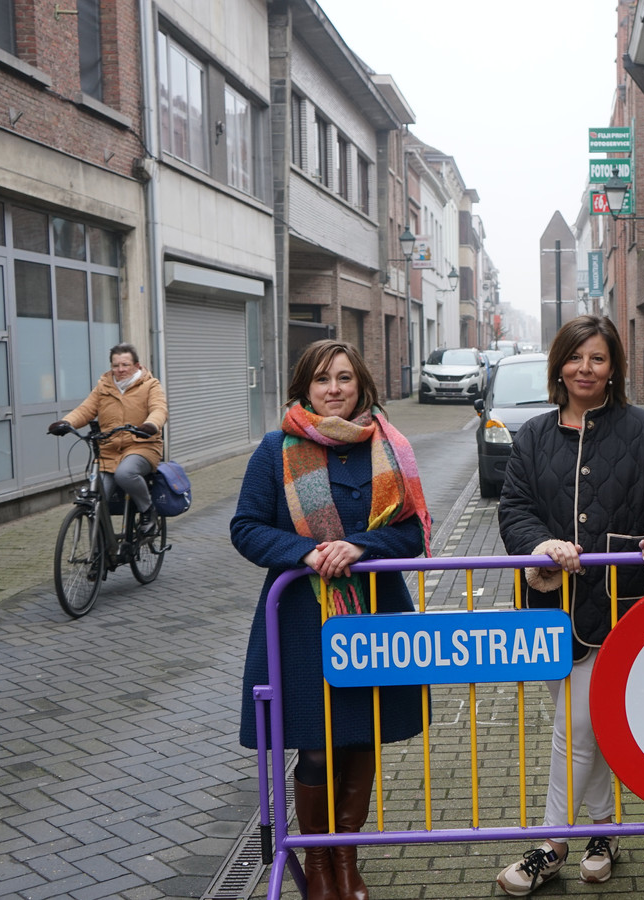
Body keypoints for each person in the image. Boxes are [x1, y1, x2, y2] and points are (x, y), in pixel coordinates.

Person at [495, 315, 644, 896]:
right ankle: (603, 829)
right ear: (559, 365)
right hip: (550, 609)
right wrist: (541, 545)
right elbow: (514, 510)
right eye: (575, 357)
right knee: (592, 723)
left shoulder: (643, 431)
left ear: (614, 369)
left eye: (598, 358)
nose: (585, 368)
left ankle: (551, 844)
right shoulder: (532, 435)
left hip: (620, 607)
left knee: (576, 726)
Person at [231, 340, 429, 900]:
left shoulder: (389, 446)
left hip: (374, 620)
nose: (334, 388)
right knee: (316, 744)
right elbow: (246, 528)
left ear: (361, 384)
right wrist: (306, 553)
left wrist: (361, 546)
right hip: (301, 622)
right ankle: (317, 865)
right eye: (322, 379)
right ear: (305, 388)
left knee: (362, 738)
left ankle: (347, 861)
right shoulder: (276, 449)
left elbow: (413, 531)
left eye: (344, 377)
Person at [48, 343, 167, 534]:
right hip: (109, 451)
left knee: (125, 474)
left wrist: (151, 425)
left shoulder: (150, 385)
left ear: (136, 365)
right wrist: (66, 422)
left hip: (142, 446)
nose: (120, 369)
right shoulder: (104, 387)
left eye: (125, 365)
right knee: (96, 495)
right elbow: (85, 410)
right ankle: (102, 547)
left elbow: (159, 409)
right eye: (116, 365)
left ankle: (147, 510)